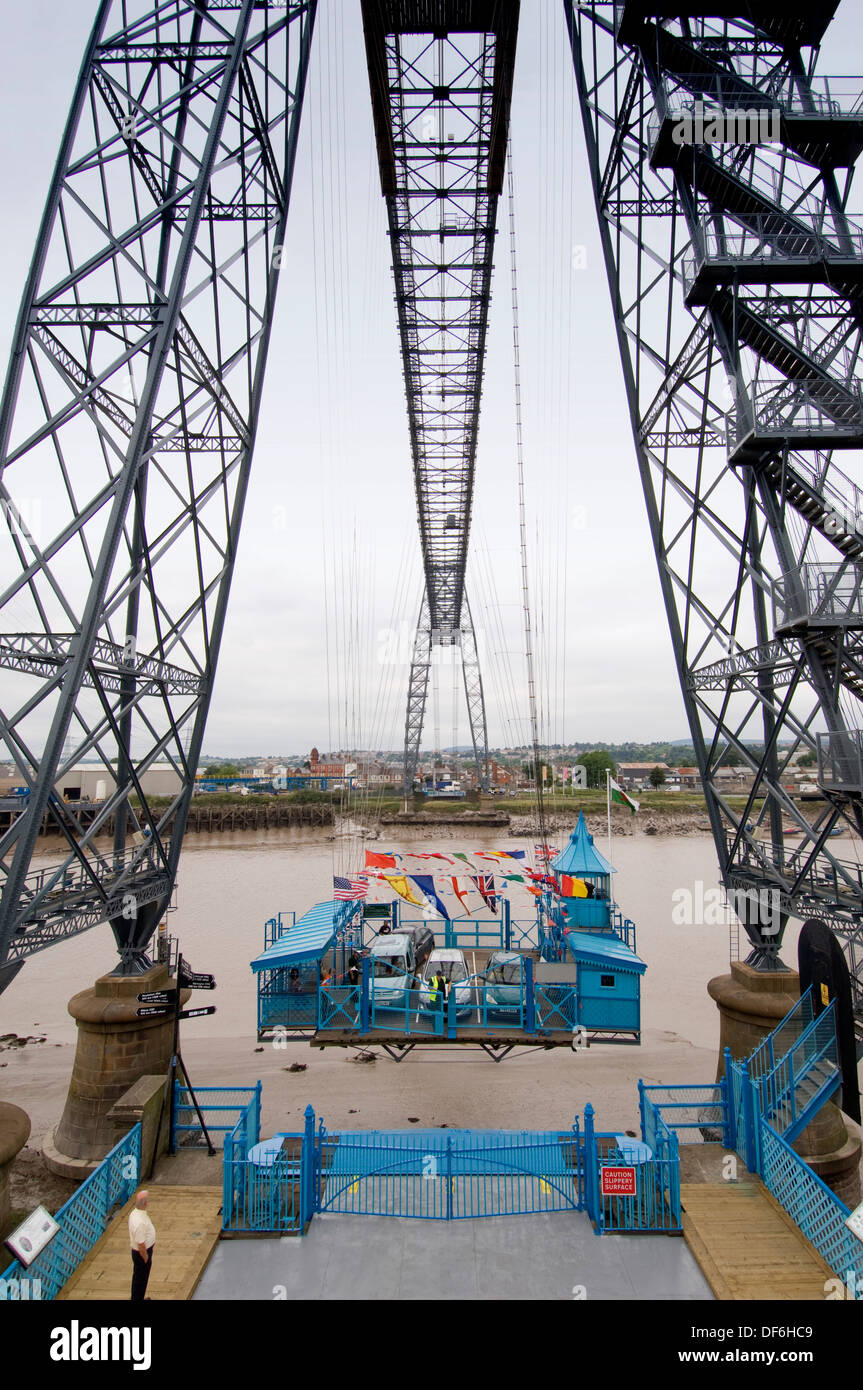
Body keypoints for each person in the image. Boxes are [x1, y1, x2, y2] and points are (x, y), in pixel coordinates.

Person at [129, 1190, 155, 1302]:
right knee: (141, 1280)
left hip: (142, 1252)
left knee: (139, 1279)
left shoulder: (136, 1213)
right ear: (144, 1203)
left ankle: (138, 1297)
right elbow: (141, 1244)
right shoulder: (139, 1222)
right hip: (142, 1254)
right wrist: (146, 1258)